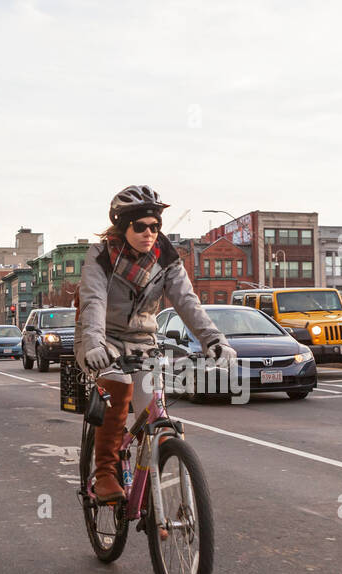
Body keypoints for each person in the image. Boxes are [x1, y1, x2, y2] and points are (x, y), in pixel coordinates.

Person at [75, 185, 236, 503]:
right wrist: (95, 344)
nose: (150, 232)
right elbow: (93, 301)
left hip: (142, 341)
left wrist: (213, 340)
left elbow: (187, 302)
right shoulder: (100, 256)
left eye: (156, 226)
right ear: (124, 226)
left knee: (153, 408)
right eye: (141, 226)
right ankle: (106, 472)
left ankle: (150, 480)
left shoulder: (167, 259)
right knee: (119, 386)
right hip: (100, 339)